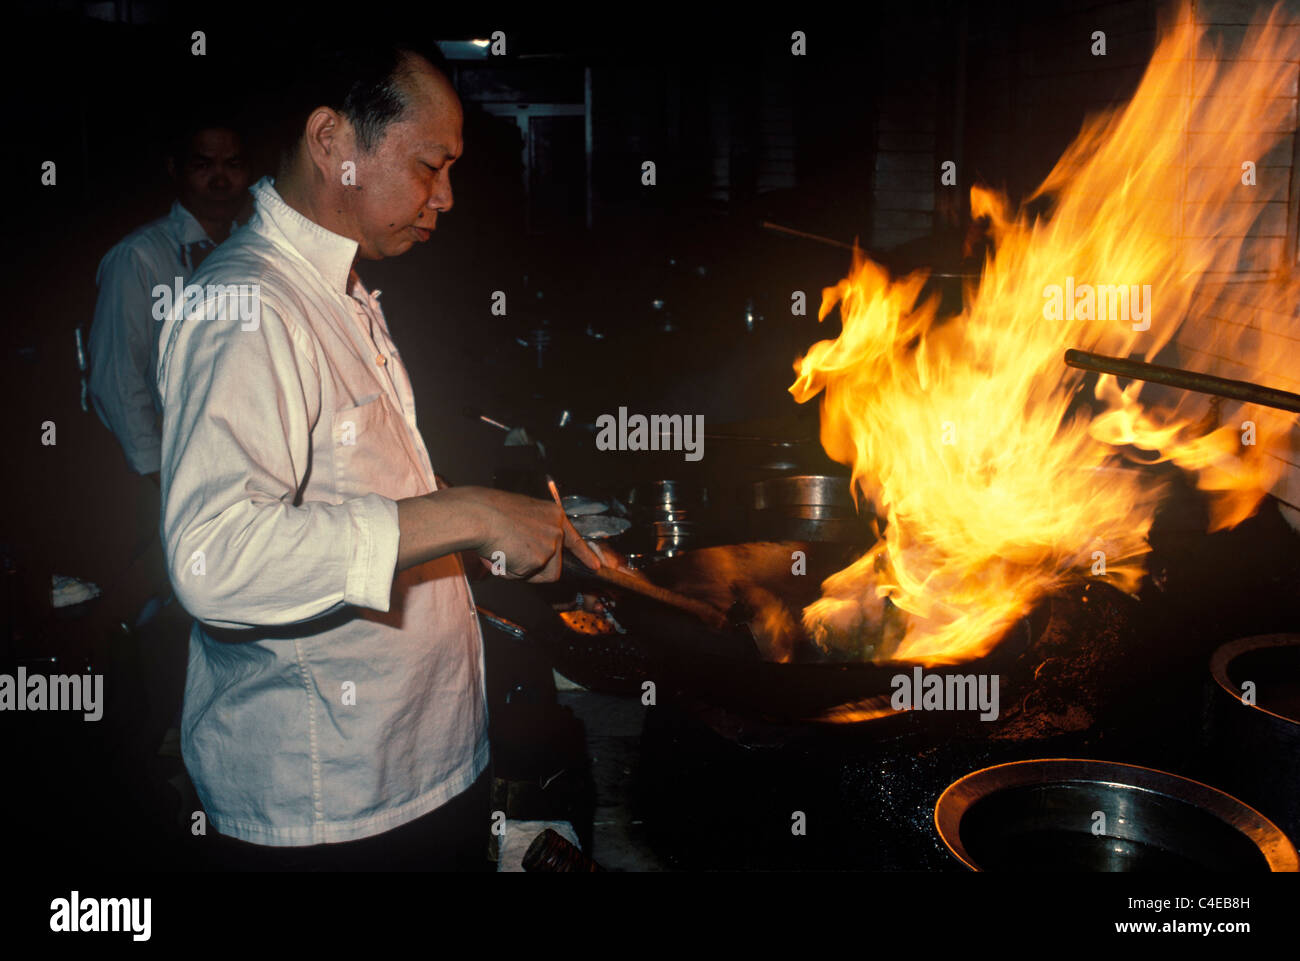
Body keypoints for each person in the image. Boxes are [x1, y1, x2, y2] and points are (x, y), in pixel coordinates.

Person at [155, 38, 601, 871]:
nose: (448, 195)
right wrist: (469, 509)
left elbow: (362, 495)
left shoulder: (344, 289)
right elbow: (215, 558)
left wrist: (487, 532)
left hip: (419, 765)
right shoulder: (246, 303)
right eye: (430, 165)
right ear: (333, 143)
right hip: (331, 804)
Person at [90, 122, 251, 484]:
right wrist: (160, 475)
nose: (221, 179)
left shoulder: (256, 249)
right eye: (203, 165)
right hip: (175, 466)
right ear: (175, 169)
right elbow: (117, 376)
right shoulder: (140, 257)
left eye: (234, 165)